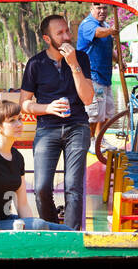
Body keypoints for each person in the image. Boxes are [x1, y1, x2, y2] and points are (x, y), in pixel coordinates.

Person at [20, 14, 94, 230]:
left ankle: (71, 235)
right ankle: (53, 230)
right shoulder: (35, 64)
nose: (66, 36)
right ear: (47, 38)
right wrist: (47, 108)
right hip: (47, 128)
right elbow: (24, 103)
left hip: (77, 126)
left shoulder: (81, 58)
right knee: (42, 188)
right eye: (59, 33)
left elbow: (88, 98)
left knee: (73, 186)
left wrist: (74, 65)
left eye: (67, 31)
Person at [0, 98, 72, 231]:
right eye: (12, 121)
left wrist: (32, 230)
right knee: (39, 225)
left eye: (20, 119)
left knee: (65, 230)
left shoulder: (17, 157)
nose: (19, 124)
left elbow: (22, 205)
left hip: (5, 220)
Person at [76, 2, 117, 140]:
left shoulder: (105, 26)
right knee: (94, 113)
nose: (102, 11)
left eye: (104, 8)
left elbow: (108, 49)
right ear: (91, 9)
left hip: (105, 78)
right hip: (92, 78)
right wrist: (112, 30)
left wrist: (120, 61)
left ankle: (100, 139)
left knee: (106, 112)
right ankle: (89, 140)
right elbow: (98, 33)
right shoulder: (88, 24)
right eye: (98, 8)